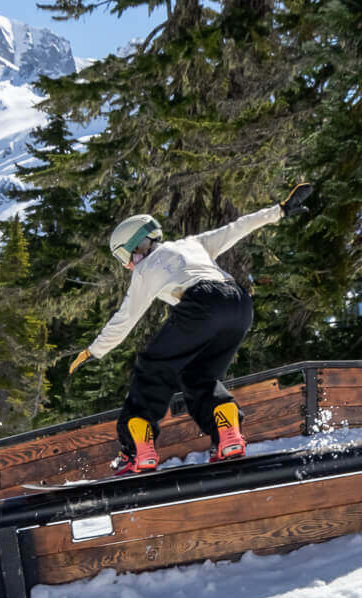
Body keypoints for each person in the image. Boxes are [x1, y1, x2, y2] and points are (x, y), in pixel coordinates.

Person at [69, 183, 313, 474]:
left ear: (135, 246)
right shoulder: (192, 243)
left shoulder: (147, 268)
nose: (127, 266)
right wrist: (280, 211)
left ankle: (138, 451)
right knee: (198, 376)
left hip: (203, 303)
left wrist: (93, 351)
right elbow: (237, 227)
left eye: (124, 257)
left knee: (153, 369)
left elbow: (124, 319)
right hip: (239, 305)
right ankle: (227, 435)